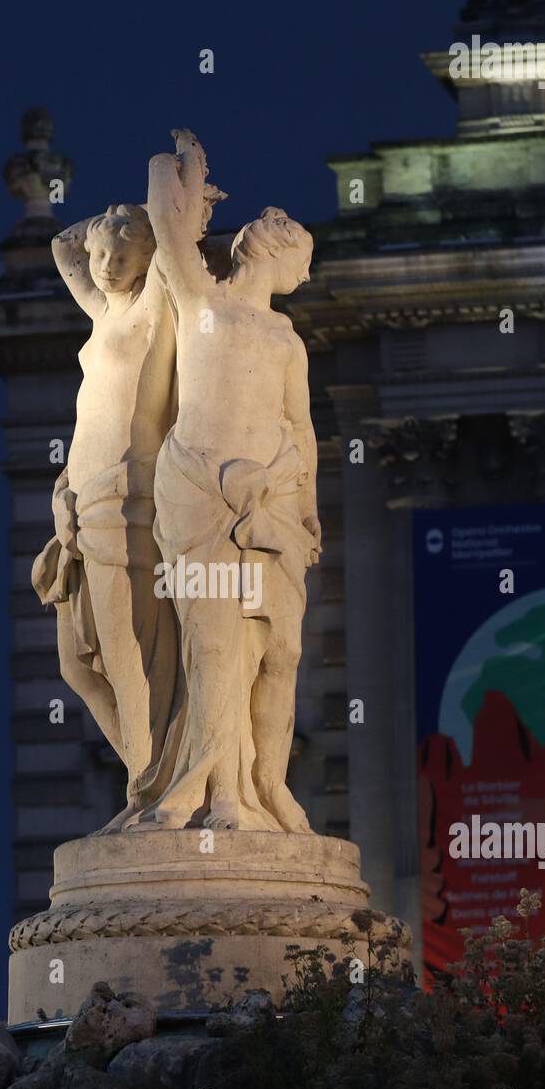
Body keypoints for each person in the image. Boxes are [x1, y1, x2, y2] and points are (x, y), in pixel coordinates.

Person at [141, 131, 321, 832]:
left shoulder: (287, 340)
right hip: (199, 495)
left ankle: (265, 784)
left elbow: (299, 428)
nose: (304, 279)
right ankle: (211, 795)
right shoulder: (200, 303)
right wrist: (183, 169)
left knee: (281, 652)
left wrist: (307, 512)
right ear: (271, 251)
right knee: (214, 646)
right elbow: (164, 221)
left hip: (271, 506)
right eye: (302, 263)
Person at [31, 204, 181, 828]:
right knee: (77, 663)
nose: (108, 267)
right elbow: (63, 241)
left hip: (129, 489)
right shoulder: (102, 315)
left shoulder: (156, 307)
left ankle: (153, 792)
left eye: (124, 258)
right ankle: (153, 778)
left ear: (148, 261)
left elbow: (169, 243)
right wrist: (62, 491)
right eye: (102, 257)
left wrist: (163, 198)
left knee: (128, 652)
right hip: (79, 496)